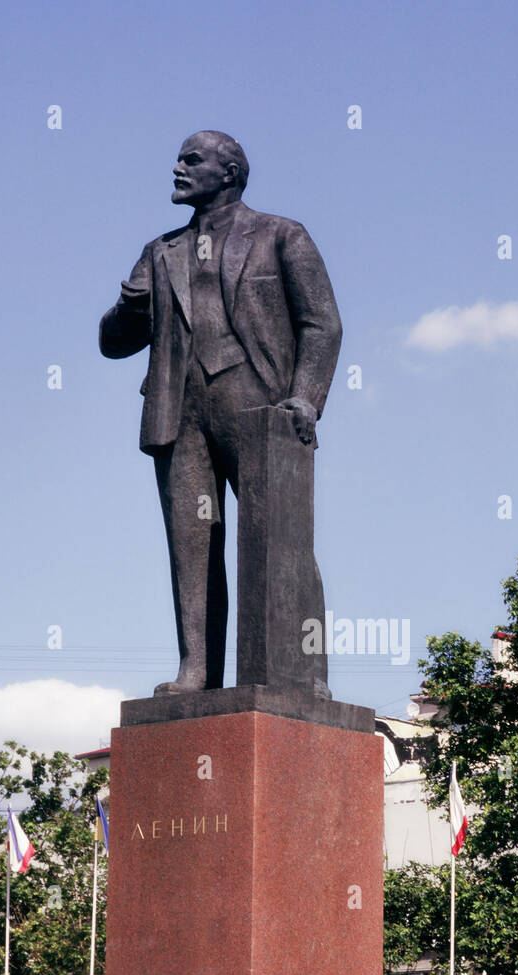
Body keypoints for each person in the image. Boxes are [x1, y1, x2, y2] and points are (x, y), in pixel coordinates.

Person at [100, 131, 342, 696]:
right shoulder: (161, 252)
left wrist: (306, 396)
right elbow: (113, 342)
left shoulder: (282, 234)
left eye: (191, 160)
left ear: (228, 172)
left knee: (280, 542)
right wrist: (130, 308)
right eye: (179, 160)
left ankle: (301, 677)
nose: (177, 168)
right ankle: (197, 670)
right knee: (192, 544)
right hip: (179, 410)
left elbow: (322, 323)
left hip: (258, 405)